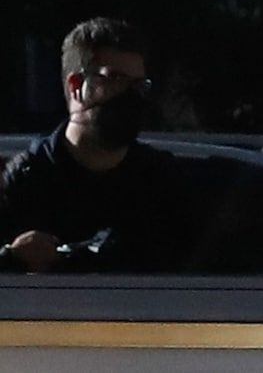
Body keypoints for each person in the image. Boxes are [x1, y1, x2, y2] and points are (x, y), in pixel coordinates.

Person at [0, 17, 193, 273]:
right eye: (114, 79)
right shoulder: (22, 182)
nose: (131, 96)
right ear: (76, 85)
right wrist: (11, 258)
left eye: (138, 85)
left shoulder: (162, 180)